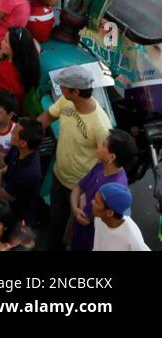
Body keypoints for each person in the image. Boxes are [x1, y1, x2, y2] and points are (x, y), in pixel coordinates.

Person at [39, 64, 112, 251]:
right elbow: (47, 117)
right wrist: (27, 132)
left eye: (63, 86)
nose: (60, 89)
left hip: (79, 187)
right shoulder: (66, 101)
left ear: (76, 92)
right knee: (55, 222)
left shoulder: (101, 126)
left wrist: (87, 192)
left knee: (77, 231)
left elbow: (105, 165)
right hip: (59, 176)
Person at [92, 183, 151, 251]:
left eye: (96, 202)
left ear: (109, 213)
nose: (92, 202)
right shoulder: (99, 217)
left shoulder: (133, 239)